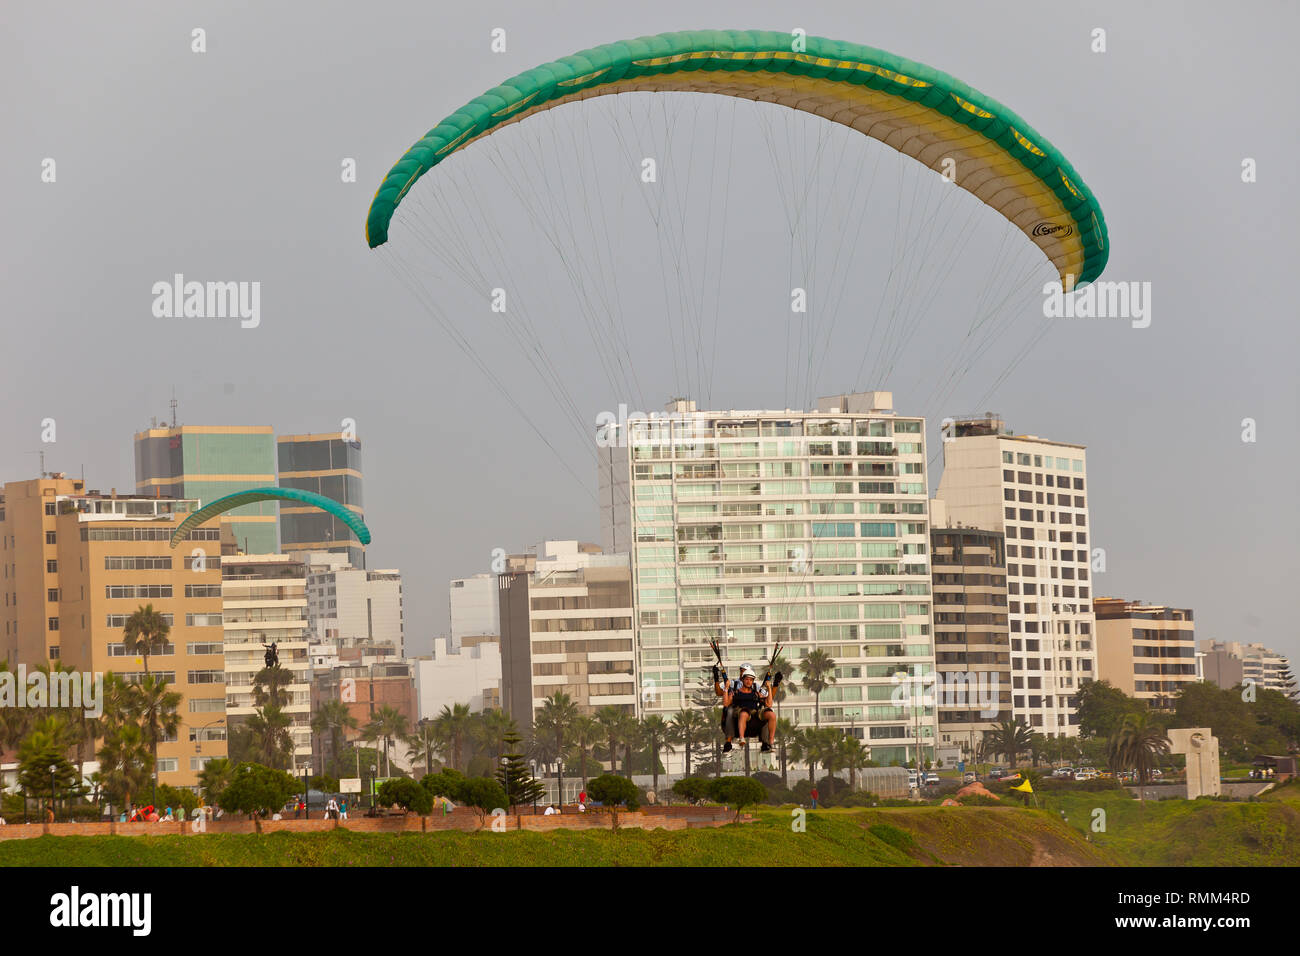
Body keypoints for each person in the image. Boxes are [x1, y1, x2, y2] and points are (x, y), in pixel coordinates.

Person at [723, 666, 778, 752]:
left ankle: (771, 742)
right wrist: (726, 688)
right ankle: (741, 738)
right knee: (744, 713)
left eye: (751, 680)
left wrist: (769, 689)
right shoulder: (736, 692)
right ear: (743, 680)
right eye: (747, 679)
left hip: (755, 712)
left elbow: (769, 704)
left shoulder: (756, 693)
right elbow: (726, 703)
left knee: (772, 714)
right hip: (742, 711)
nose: (749, 682)